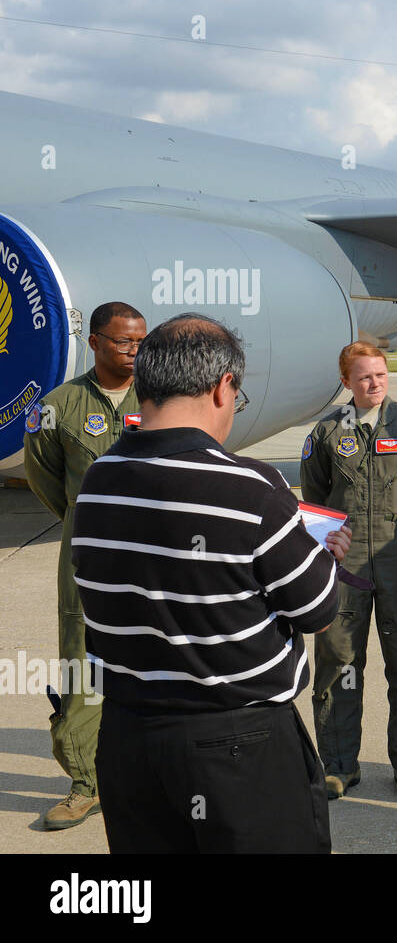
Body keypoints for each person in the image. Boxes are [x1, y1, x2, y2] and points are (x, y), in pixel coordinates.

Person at [69, 314, 350, 852]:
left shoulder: (97, 481)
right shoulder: (252, 486)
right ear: (224, 387)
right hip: (238, 746)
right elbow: (316, 610)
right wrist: (320, 558)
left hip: (129, 739)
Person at [302, 342, 397, 799]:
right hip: (344, 561)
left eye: (381, 375)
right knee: (338, 661)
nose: (375, 384)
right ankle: (340, 766)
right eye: (365, 377)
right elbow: (315, 498)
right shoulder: (327, 431)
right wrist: (343, 538)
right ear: (347, 381)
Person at [23, 301, 145, 831]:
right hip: (87, 558)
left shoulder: (164, 399)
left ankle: (157, 775)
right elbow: (46, 480)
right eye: (123, 341)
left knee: (160, 663)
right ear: (95, 342)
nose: (134, 351)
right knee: (84, 664)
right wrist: (85, 518)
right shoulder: (57, 406)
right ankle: (85, 784)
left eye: (141, 341)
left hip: (155, 556)